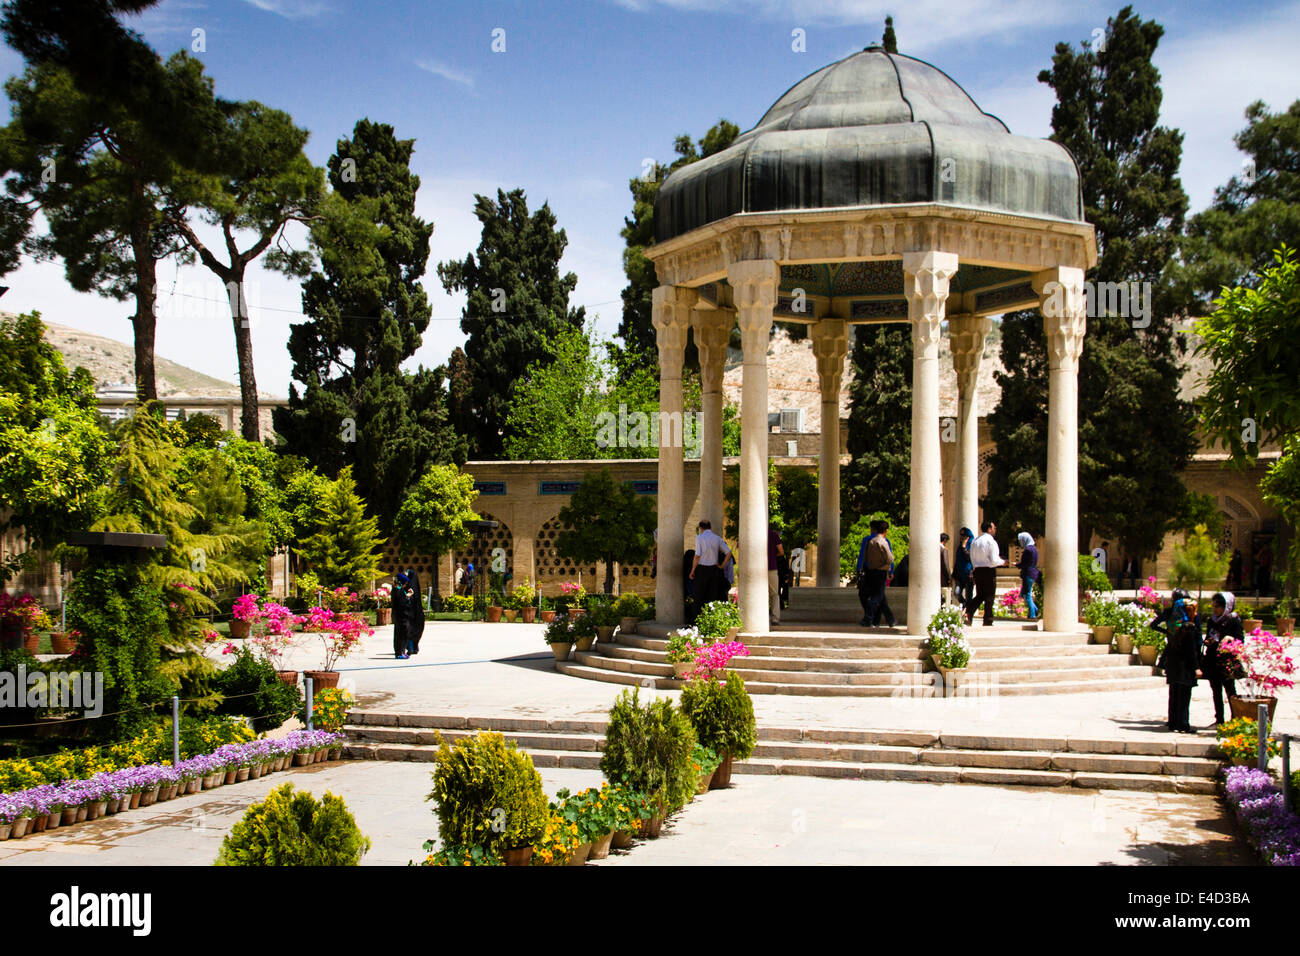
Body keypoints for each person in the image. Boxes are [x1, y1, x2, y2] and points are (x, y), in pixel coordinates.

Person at [1154, 589, 1201, 733]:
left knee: (1174, 693)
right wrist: (1196, 668)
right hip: (1185, 666)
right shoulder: (1189, 628)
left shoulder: (1174, 627)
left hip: (1173, 664)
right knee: (1184, 695)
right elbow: (1191, 652)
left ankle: (1173, 722)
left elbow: (1169, 646)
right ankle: (1183, 724)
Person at [1202, 592, 1243, 726]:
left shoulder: (1233, 619)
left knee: (1230, 690)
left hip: (1227, 660)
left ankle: (1235, 719)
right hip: (1213, 659)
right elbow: (1209, 636)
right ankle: (1219, 719)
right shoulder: (1212, 620)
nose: (1215, 609)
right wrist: (1209, 641)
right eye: (1214, 606)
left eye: (1218, 606)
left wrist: (1230, 639)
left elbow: (1240, 640)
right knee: (1216, 691)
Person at [964, 520, 1004, 627]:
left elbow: (971, 557)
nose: (995, 530)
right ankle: (988, 620)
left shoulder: (975, 541)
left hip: (977, 570)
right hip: (988, 571)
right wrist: (1003, 562)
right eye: (994, 528)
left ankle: (969, 612)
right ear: (989, 529)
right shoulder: (991, 541)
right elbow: (994, 560)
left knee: (980, 595)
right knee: (989, 596)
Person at [859, 519, 897, 628]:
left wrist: (860, 569)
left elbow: (863, 557)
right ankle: (884, 619)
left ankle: (873, 618)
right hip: (879, 572)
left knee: (877, 596)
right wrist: (889, 569)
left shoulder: (870, 541)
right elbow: (890, 559)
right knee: (879, 596)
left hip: (870, 571)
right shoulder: (882, 541)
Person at [689, 520, 732, 606]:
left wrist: (692, 570)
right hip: (714, 569)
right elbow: (728, 552)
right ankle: (710, 617)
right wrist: (722, 566)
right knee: (712, 595)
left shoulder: (699, 538)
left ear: (700, 528)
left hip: (702, 569)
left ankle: (698, 617)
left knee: (699, 595)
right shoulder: (717, 538)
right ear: (710, 527)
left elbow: (697, 555)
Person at [1016, 531, 1040, 620]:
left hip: (1028, 573)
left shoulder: (1028, 550)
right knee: (1024, 594)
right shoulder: (1033, 549)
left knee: (1026, 594)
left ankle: (1033, 613)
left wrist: (1018, 565)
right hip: (1032, 573)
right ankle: (1035, 609)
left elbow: (1025, 563)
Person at [404, 567, 425, 656]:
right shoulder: (415, 586)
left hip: (410, 614)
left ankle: (411, 648)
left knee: (410, 631)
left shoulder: (410, 587)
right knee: (415, 631)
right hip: (417, 614)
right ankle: (414, 647)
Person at [391, 571, 412, 659]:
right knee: (402, 634)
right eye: (405, 583)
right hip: (401, 616)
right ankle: (400, 652)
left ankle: (401, 651)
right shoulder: (397, 590)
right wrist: (408, 596)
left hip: (400, 616)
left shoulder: (398, 590)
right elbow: (402, 603)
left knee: (402, 633)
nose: (406, 585)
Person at [952, 527, 974, 607]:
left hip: (969, 574)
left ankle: (968, 613)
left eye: (963, 535)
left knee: (969, 596)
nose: (961, 537)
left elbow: (969, 558)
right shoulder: (959, 546)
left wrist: (964, 547)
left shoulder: (972, 545)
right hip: (959, 575)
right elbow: (958, 561)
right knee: (957, 593)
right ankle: (964, 604)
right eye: (960, 535)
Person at [767, 522, 784, 625]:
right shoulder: (774, 535)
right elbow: (781, 552)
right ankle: (775, 618)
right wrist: (773, 556)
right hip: (772, 567)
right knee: (774, 594)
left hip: (756, 569)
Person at [939, 533, 952, 605]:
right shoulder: (943, 550)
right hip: (942, 576)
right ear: (944, 540)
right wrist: (949, 577)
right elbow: (945, 564)